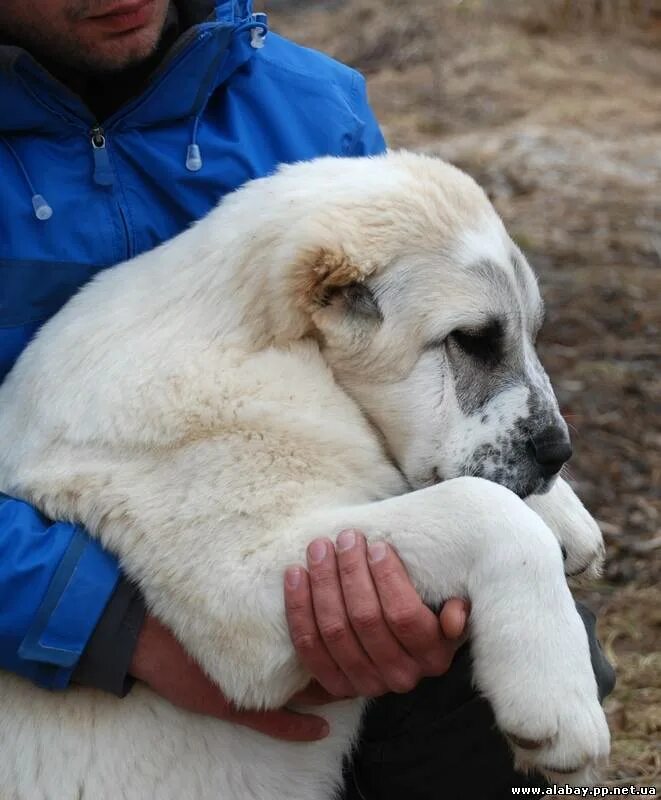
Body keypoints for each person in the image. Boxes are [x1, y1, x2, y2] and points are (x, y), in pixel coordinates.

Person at [0, 2, 614, 798]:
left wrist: (507, 505)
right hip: (55, 643)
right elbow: (235, 584)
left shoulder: (309, 108)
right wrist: (109, 626)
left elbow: (392, 354)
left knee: (510, 638)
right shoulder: (156, 369)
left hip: (284, 608)